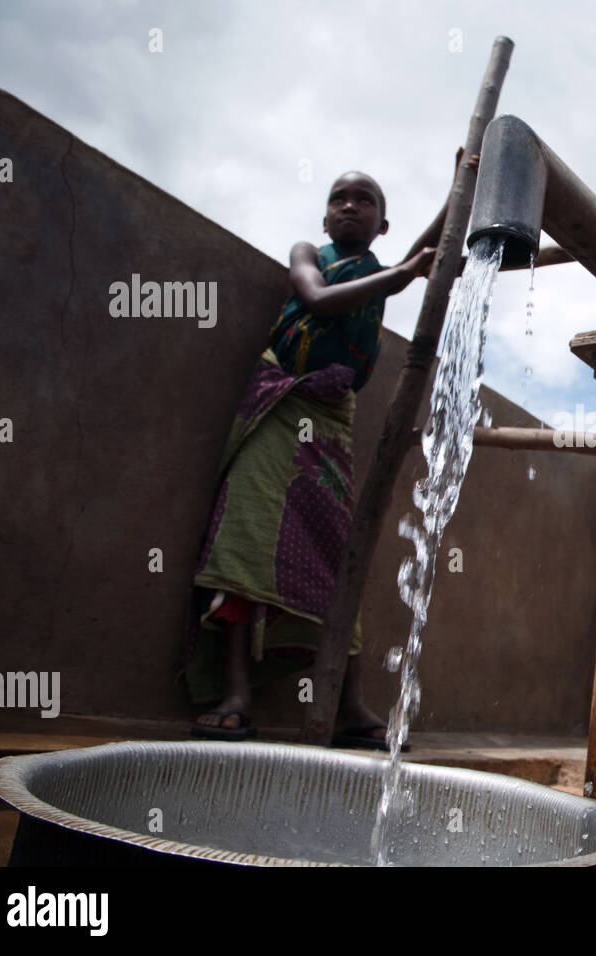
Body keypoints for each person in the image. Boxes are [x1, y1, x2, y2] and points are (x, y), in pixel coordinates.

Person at [184, 155, 474, 748]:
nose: (350, 205)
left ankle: (348, 704)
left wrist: (456, 191)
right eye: (340, 197)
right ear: (323, 215)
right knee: (244, 543)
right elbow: (316, 301)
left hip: (331, 418)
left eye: (364, 200)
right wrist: (402, 277)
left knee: (336, 557)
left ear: (382, 226)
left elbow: (422, 251)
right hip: (279, 406)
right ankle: (237, 694)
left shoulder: (377, 268)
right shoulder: (308, 256)